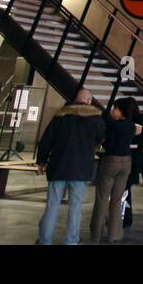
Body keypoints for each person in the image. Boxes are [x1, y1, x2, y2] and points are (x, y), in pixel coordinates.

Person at [36, 87, 106, 245]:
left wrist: (41, 161)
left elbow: (47, 140)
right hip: (81, 169)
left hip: (58, 166)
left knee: (52, 205)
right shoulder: (95, 118)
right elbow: (101, 139)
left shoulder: (61, 116)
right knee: (75, 206)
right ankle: (71, 240)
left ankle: (44, 240)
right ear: (89, 101)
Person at [91, 98, 137, 242]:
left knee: (102, 198)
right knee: (117, 200)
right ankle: (114, 234)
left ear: (120, 110)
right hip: (126, 162)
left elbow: (109, 144)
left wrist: (103, 142)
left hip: (111, 161)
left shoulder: (114, 126)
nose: (112, 111)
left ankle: (96, 234)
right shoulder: (131, 126)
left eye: (115, 108)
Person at [122, 101, 143, 231]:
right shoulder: (138, 119)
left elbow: (140, 138)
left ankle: (125, 218)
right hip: (132, 159)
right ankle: (125, 218)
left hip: (129, 159)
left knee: (125, 191)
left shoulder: (134, 120)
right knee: (126, 191)